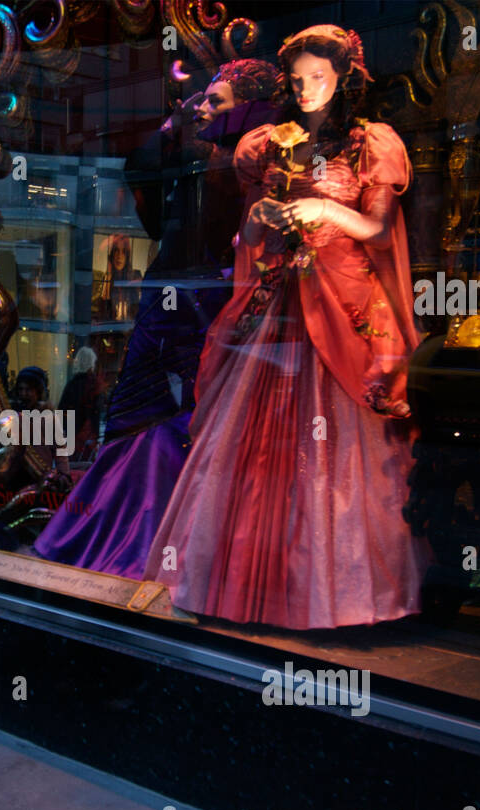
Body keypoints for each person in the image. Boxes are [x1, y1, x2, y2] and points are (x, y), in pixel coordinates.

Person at [143, 25, 427, 629]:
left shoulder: (370, 143)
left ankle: (338, 596)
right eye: (296, 80)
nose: (305, 90)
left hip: (343, 303)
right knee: (254, 446)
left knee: (337, 452)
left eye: (317, 78)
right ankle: (243, 587)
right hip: (278, 304)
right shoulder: (267, 145)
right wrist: (261, 217)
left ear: (345, 76)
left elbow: (378, 229)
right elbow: (245, 238)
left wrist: (327, 209)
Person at [34, 58, 276, 577]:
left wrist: (180, 125)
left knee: (183, 412)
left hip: (209, 298)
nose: (205, 109)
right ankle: (137, 535)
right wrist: (180, 121)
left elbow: (153, 167)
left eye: (218, 101)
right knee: (139, 410)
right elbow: (142, 172)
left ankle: (169, 540)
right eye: (205, 99)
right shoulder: (200, 157)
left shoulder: (236, 160)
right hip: (179, 290)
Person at [57, 346, 103, 462]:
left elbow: (61, 411)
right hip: (88, 436)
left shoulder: (72, 384)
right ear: (91, 363)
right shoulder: (95, 385)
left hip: (71, 435)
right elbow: (96, 413)